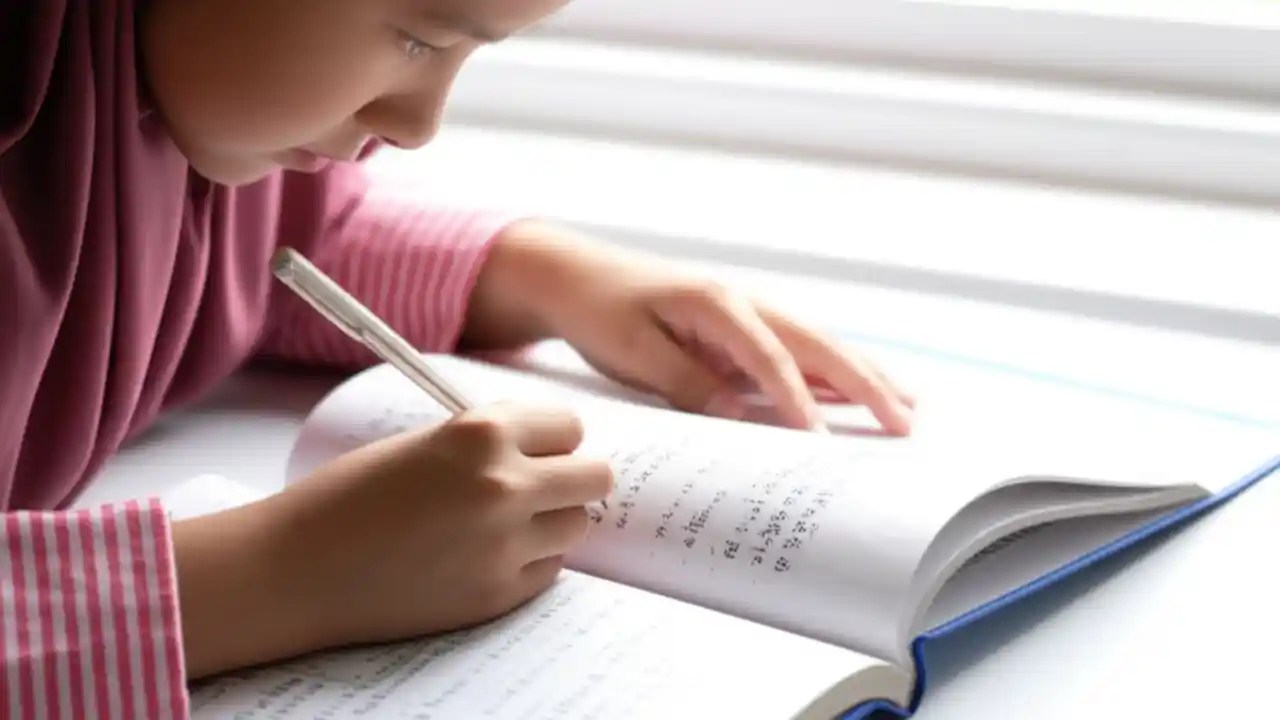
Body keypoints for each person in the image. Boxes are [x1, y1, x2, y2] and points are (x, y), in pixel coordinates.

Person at [0, 0, 915, 716]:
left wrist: (547, 280)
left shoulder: (169, 100)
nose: (421, 123)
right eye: (417, 38)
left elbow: (284, 247)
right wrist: (277, 575)